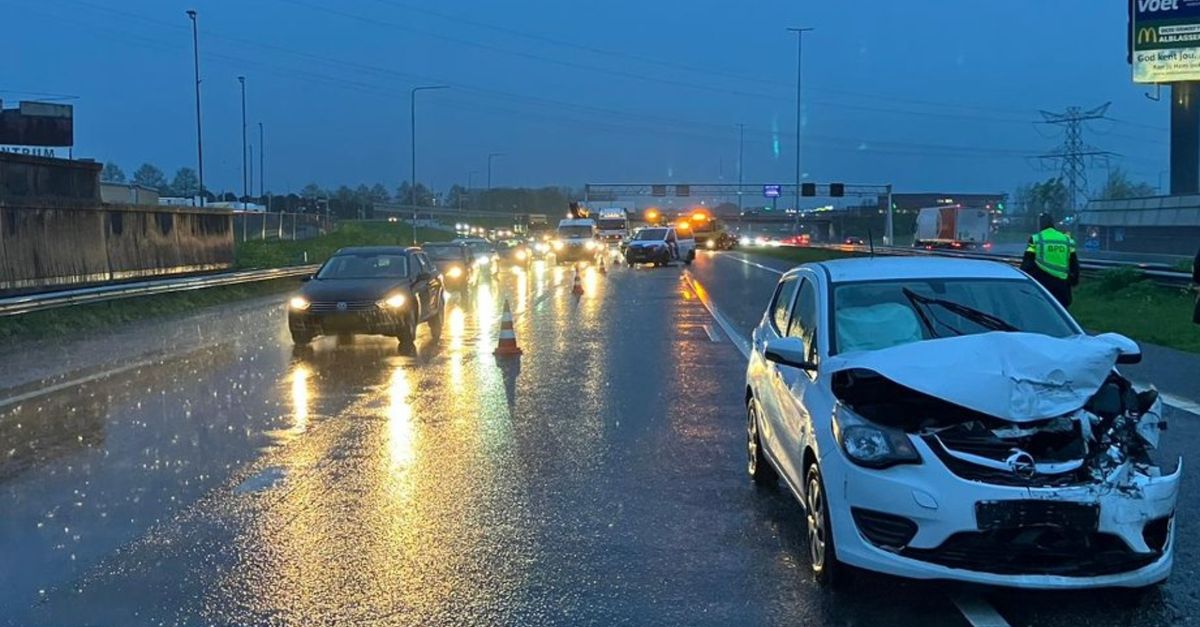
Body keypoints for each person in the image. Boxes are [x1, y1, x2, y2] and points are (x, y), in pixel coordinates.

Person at [1021, 213, 1080, 308]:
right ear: (1053, 223)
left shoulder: (1036, 238)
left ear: (1040, 224)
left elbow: (1028, 262)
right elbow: (1074, 263)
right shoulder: (1066, 239)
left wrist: (1025, 280)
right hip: (1062, 286)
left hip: (1042, 284)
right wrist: (1074, 280)